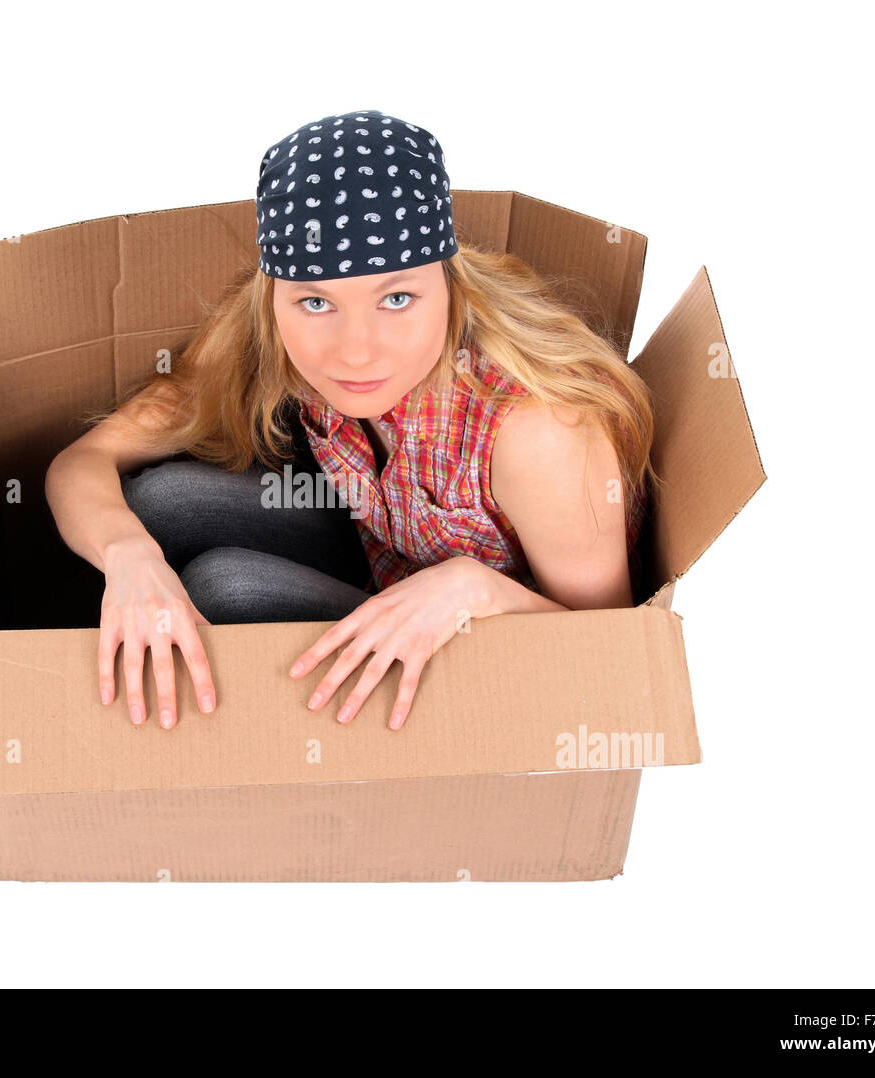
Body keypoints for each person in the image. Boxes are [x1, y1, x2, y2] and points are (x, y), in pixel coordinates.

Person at [44, 108, 658, 733]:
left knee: (221, 590)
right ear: (276, 295)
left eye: (397, 298)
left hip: (481, 646)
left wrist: (479, 592)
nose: (356, 352)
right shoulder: (269, 335)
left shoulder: (540, 430)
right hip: (381, 567)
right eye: (317, 301)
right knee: (157, 502)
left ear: (448, 282)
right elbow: (82, 462)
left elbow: (610, 652)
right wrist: (128, 560)